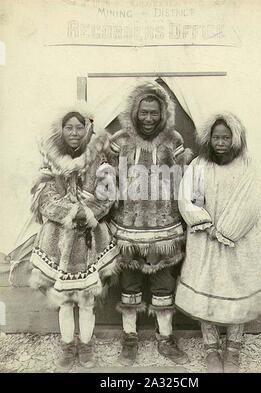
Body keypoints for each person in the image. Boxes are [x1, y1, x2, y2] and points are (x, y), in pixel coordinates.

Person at [106, 81, 193, 365]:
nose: (148, 118)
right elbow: (105, 180)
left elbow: (186, 184)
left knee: (163, 284)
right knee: (129, 285)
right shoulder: (119, 141)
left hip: (164, 232)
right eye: (143, 112)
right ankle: (129, 339)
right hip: (127, 231)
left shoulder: (174, 141)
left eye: (154, 113)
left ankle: (165, 338)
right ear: (134, 111)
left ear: (163, 113)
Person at [28, 103, 119, 369]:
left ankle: (87, 346)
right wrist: (73, 212)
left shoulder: (100, 161)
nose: (75, 132)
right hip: (58, 239)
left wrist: (88, 214)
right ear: (61, 130)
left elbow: (107, 196)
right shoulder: (50, 161)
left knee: (87, 298)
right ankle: (68, 346)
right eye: (69, 127)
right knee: (65, 300)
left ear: (88, 129)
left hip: (91, 238)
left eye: (80, 127)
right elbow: (44, 198)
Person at [175, 112, 261, 373]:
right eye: (216, 137)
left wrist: (226, 230)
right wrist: (204, 222)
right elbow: (186, 199)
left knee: (237, 290)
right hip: (205, 240)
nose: (221, 142)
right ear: (209, 138)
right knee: (207, 289)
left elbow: (250, 203)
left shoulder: (247, 165)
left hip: (238, 243)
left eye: (226, 137)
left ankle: (233, 349)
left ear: (235, 138)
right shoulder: (199, 166)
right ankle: (211, 348)